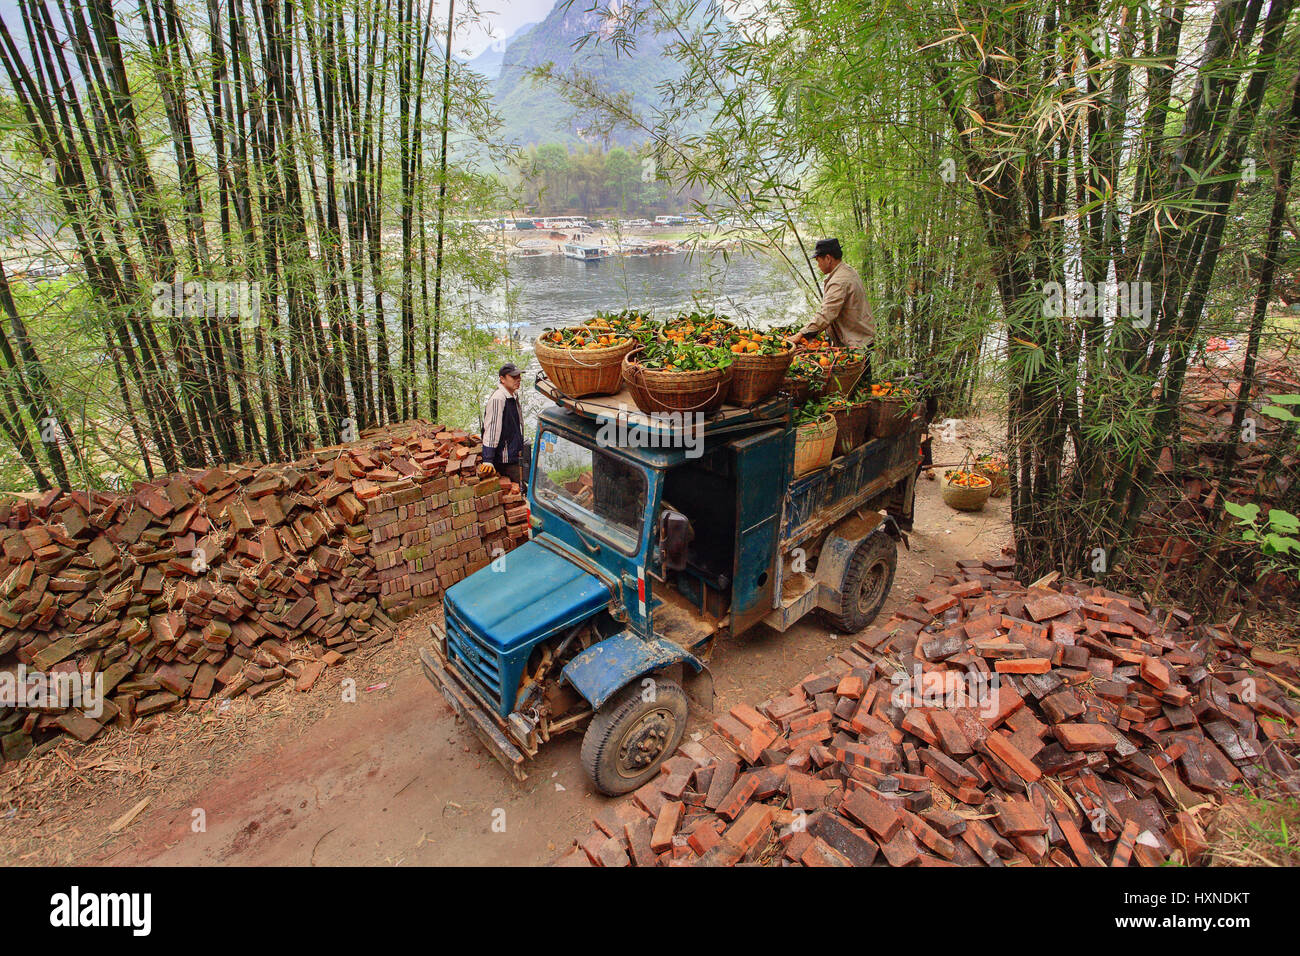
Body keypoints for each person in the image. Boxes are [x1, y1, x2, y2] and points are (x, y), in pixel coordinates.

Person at [787, 238, 876, 378]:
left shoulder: (839, 281)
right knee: (860, 386)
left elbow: (826, 314)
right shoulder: (847, 270)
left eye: (818, 260)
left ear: (828, 258)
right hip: (862, 339)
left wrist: (801, 335)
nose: (818, 265)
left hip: (857, 344)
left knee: (856, 388)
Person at [481, 363, 527, 486]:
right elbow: (492, 429)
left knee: (531, 481)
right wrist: (488, 459)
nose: (518, 379)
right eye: (513, 377)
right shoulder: (498, 399)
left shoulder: (512, 395)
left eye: (519, 376)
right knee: (528, 485)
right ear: (502, 379)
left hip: (515, 453)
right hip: (505, 459)